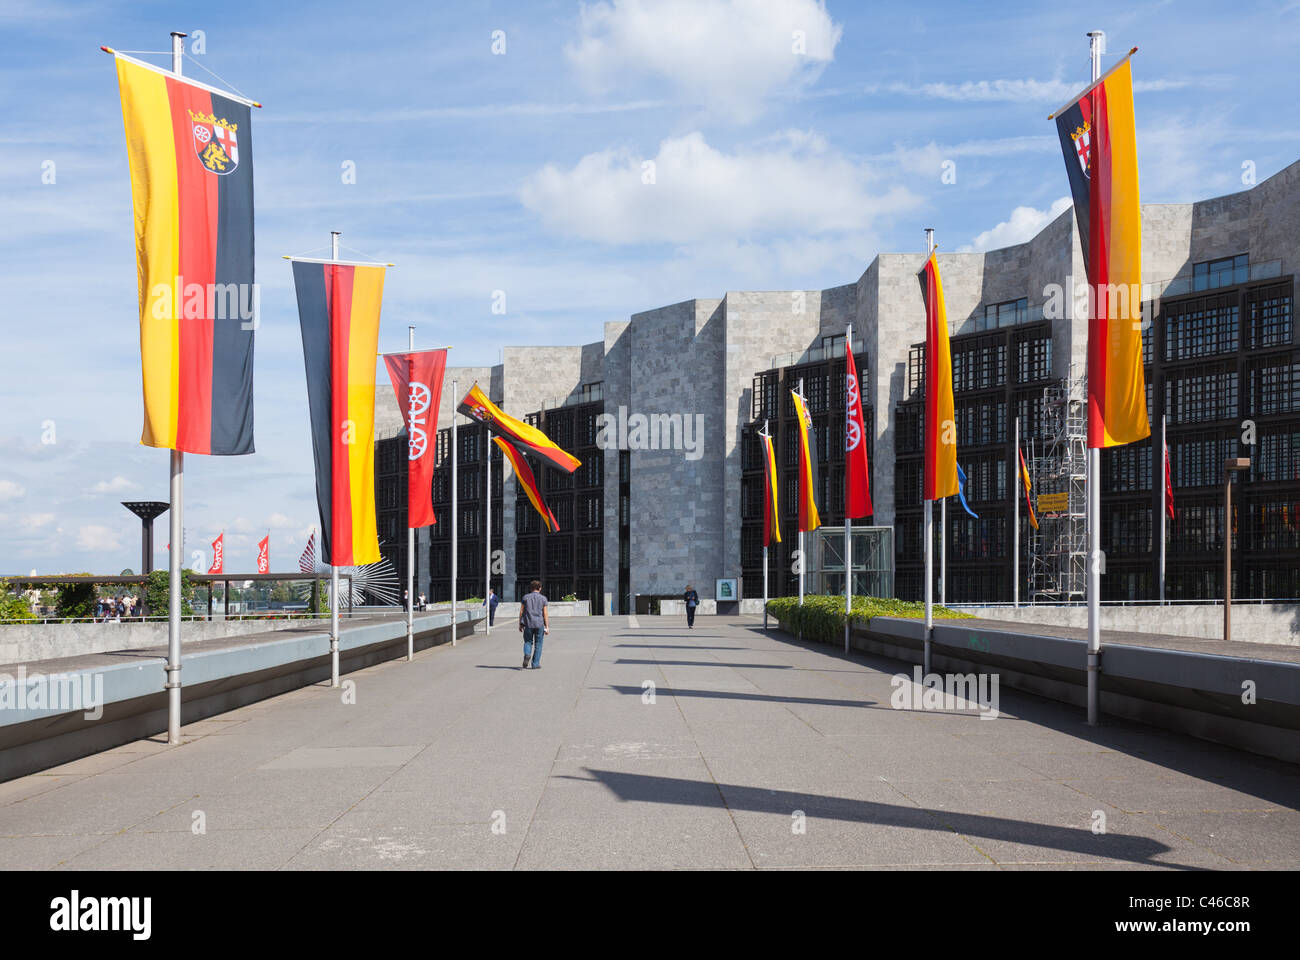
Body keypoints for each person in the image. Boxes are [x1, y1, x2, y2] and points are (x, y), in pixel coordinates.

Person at [519, 580, 548, 669]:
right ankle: (535, 664)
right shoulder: (543, 598)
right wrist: (547, 626)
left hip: (528, 623)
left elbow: (521, 611)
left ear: (531, 588)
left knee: (528, 642)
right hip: (539, 624)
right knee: (538, 644)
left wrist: (520, 624)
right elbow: (545, 613)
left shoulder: (525, 597)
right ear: (540, 588)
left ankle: (527, 654)